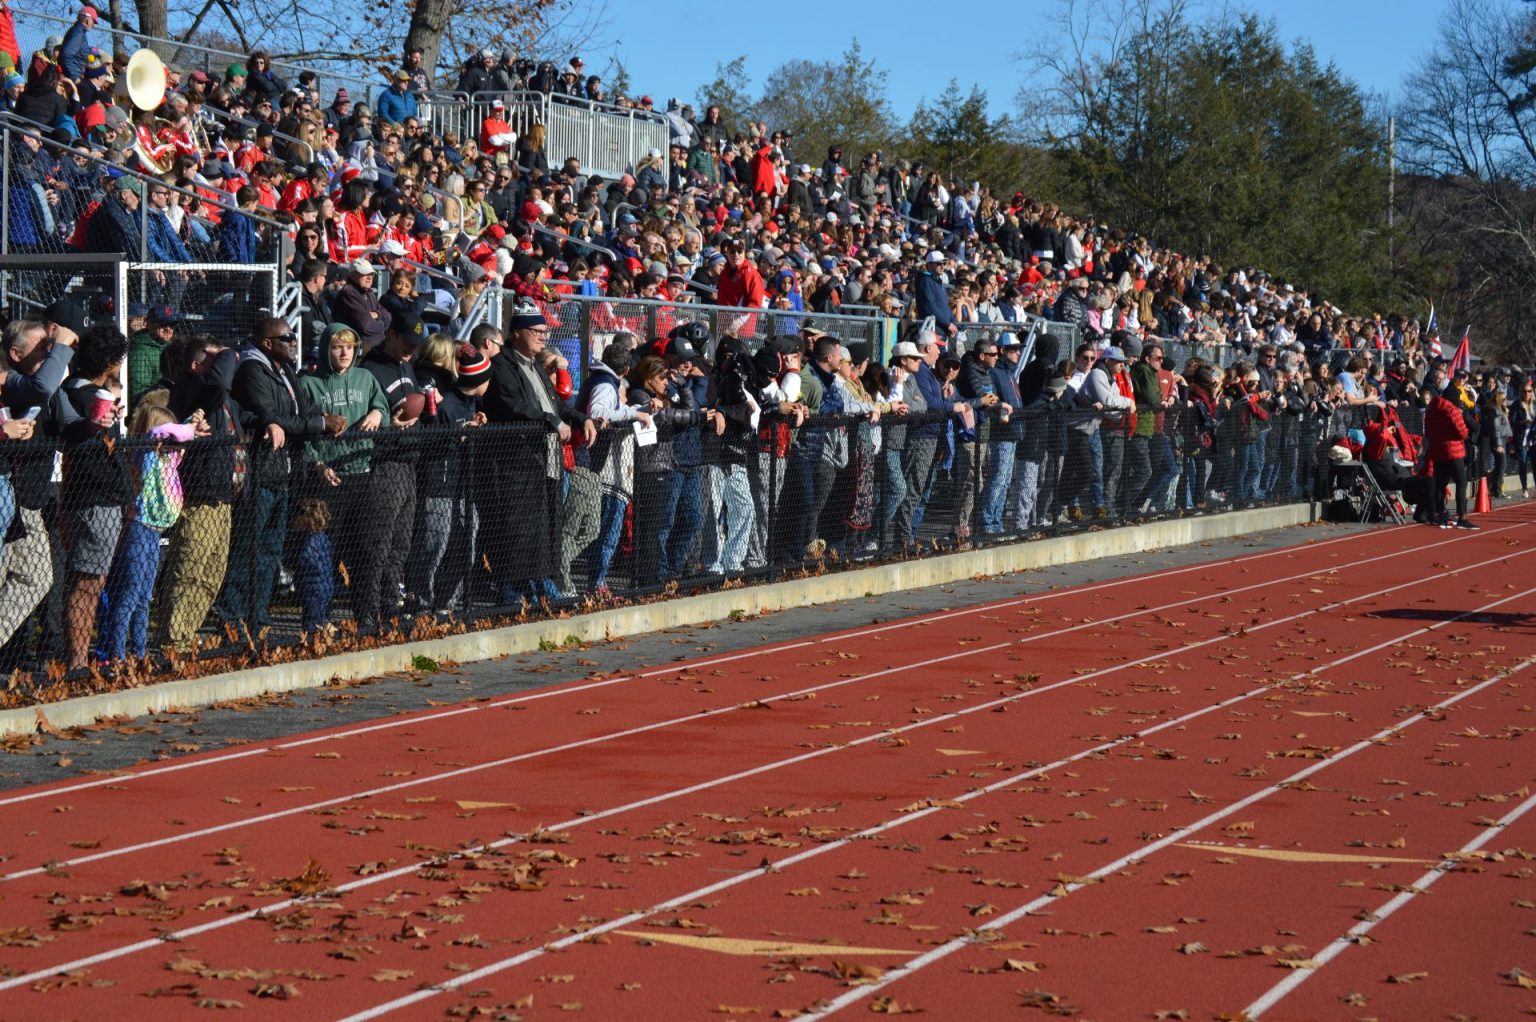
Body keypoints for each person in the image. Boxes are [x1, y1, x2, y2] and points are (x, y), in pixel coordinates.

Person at [217, 317, 345, 635]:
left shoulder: (286, 370)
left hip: (285, 473)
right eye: (286, 337)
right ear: (267, 343)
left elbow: (304, 410)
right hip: (260, 474)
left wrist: (321, 420)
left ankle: (258, 619)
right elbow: (271, 417)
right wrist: (317, 425)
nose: (293, 342)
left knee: (271, 552)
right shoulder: (252, 370)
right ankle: (231, 620)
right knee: (248, 550)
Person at [481, 299, 594, 603]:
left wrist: (581, 419)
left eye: (545, 332)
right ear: (517, 332)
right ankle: (511, 592)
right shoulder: (503, 365)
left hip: (546, 462)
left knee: (546, 528)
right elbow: (513, 405)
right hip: (516, 464)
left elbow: (556, 405)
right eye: (537, 331)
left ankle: (541, 584)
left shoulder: (535, 365)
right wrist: (550, 420)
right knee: (517, 530)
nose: (544, 337)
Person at [0, 307, 79, 655]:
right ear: (16, 355)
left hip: (28, 503)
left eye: (51, 347)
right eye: (42, 347)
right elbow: (40, 386)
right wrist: (61, 342)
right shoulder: (10, 381)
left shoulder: (49, 386)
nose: (50, 352)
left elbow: (66, 419)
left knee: (38, 577)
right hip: (8, 495)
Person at [299, 323, 388, 630]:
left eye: (349, 346)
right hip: (327, 478)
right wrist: (318, 464)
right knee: (322, 554)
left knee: (365, 549)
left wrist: (378, 412)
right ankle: (316, 620)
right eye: (338, 346)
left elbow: (385, 408)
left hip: (361, 474)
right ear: (327, 348)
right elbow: (301, 432)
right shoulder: (309, 383)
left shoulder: (365, 378)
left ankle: (364, 614)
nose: (344, 352)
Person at [100, 400, 204, 661]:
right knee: (130, 593)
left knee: (146, 595)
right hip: (139, 528)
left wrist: (194, 419)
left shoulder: (169, 457)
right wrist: (183, 429)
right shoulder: (145, 452)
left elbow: (182, 437)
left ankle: (139, 651)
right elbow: (158, 433)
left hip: (157, 532)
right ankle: (118, 653)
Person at [160, 335, 242, 653]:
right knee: (190, 568)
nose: (223, 363)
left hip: (223, 494)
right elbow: (220, 380)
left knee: (213, 572)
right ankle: (173, 640)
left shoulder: (217, 395)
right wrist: (228, 349)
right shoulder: (191, 386)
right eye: (212, 358)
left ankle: (187, 633)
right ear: (197, 365)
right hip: (200, 493)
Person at [57, 324, 128, 669]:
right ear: (110, 361)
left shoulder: (75, 391)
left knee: (91, 580)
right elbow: (85, 444)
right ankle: (77, 662)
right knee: (88, 582)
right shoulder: (84, 397)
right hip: (94, 497)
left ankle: (79, 659)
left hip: (93, 496)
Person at [356, 310, 426, 631]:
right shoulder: (371, 370)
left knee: (401, 544)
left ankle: (390, 606)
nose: (411, 349)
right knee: (378, 544)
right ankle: (368, 612)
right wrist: (390, 426)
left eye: (416, 344)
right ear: (391, 335)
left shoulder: (407, 365)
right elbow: (367, 420)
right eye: (406, 342)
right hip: (384, 465)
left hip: (408, 462)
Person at [1424, 365, 1473, 529]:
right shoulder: (1451, 409)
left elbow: (1428, 431)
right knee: (1461, 482)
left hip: (1438, 450)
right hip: (1453, 450)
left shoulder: (1432, 408)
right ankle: (1462, 516)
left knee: (1440, 483)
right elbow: (1461, 431)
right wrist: (1466, 434)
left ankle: (1440, 513)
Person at [333, 258, 391, 349]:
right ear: (352, 276)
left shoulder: (369, 293)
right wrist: (383, 325)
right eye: (364, 274)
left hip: (375, 347)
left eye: (371, 274)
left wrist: (377, 314)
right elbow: (366, 325)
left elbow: (388, 317)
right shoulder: (348, 294)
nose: (369, 277)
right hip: (358, 350)